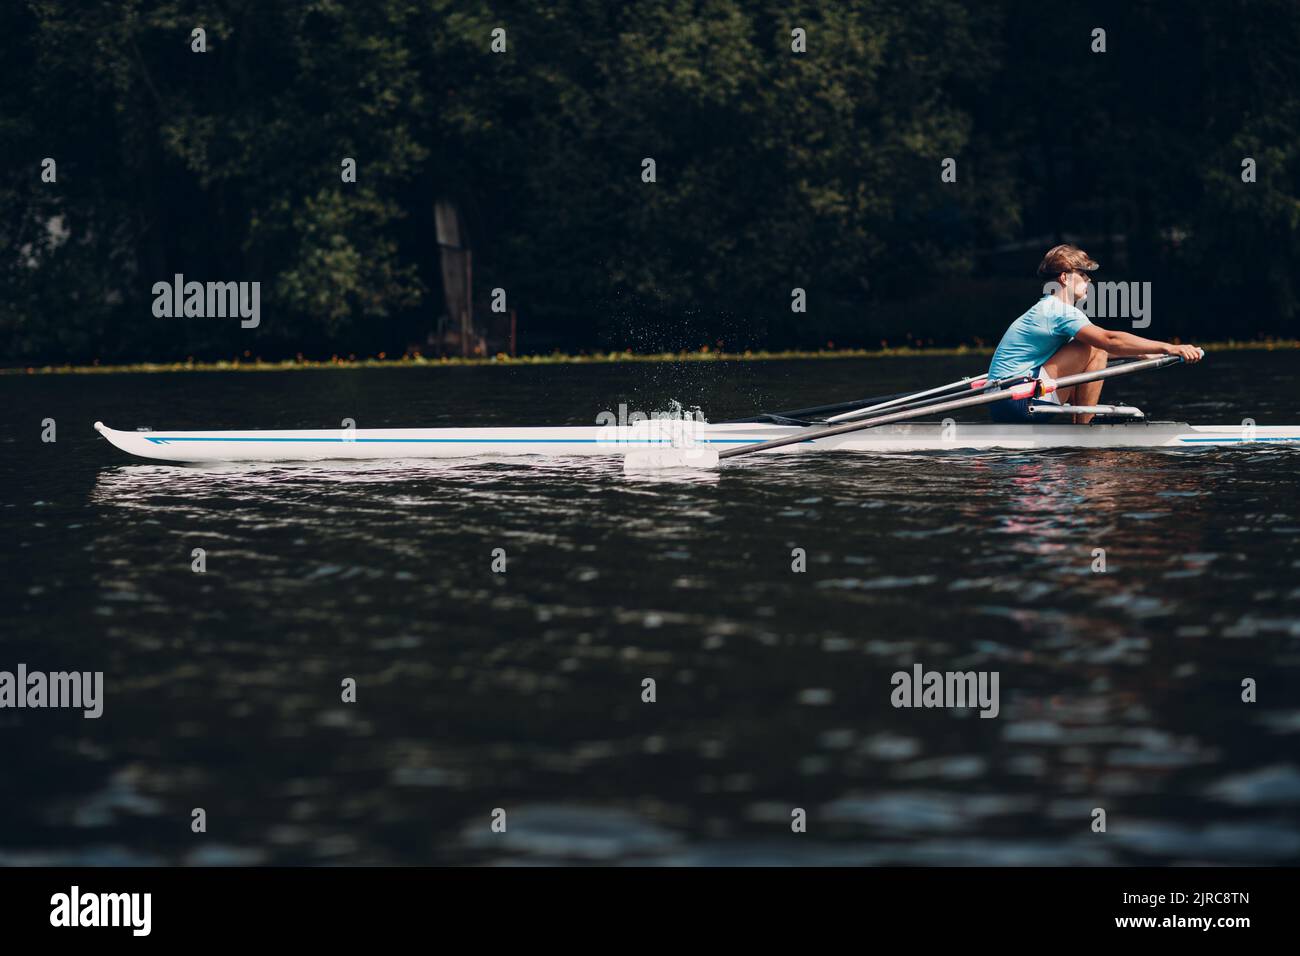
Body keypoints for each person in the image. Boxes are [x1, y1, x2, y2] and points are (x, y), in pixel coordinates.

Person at [987, 244, 1202, 424]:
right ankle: (1084, 426)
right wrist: (1169, 347)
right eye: (1082, 274)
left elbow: (1088, 356)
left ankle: (1081, 423)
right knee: (1097, 345)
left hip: (1002, 403)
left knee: (1091, 346)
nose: (1089, 279)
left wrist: (1143, 354)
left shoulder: (1048, 309)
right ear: (1064, 278)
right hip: (1018, 402)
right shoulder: (1059, 311)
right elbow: (1109, 341)